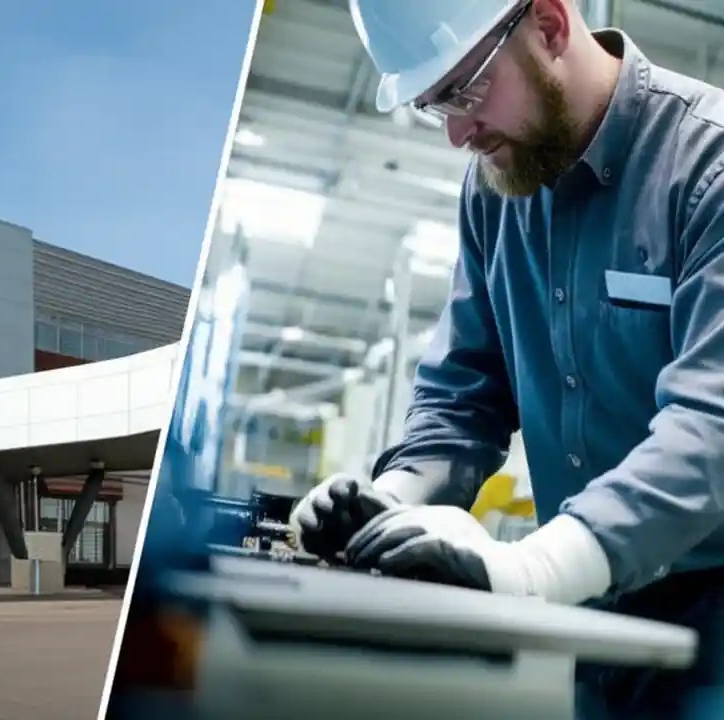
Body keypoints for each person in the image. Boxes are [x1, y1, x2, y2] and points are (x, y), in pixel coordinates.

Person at [288, 0, 724, 716]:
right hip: (594, 613)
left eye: (464, 91)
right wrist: (393, 505)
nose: (458, 133)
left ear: (550, 25)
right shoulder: (498, 192)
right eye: (435, 106)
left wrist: (534, 568)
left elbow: (710, 430)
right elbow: (462, 398)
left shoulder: (707, 168)